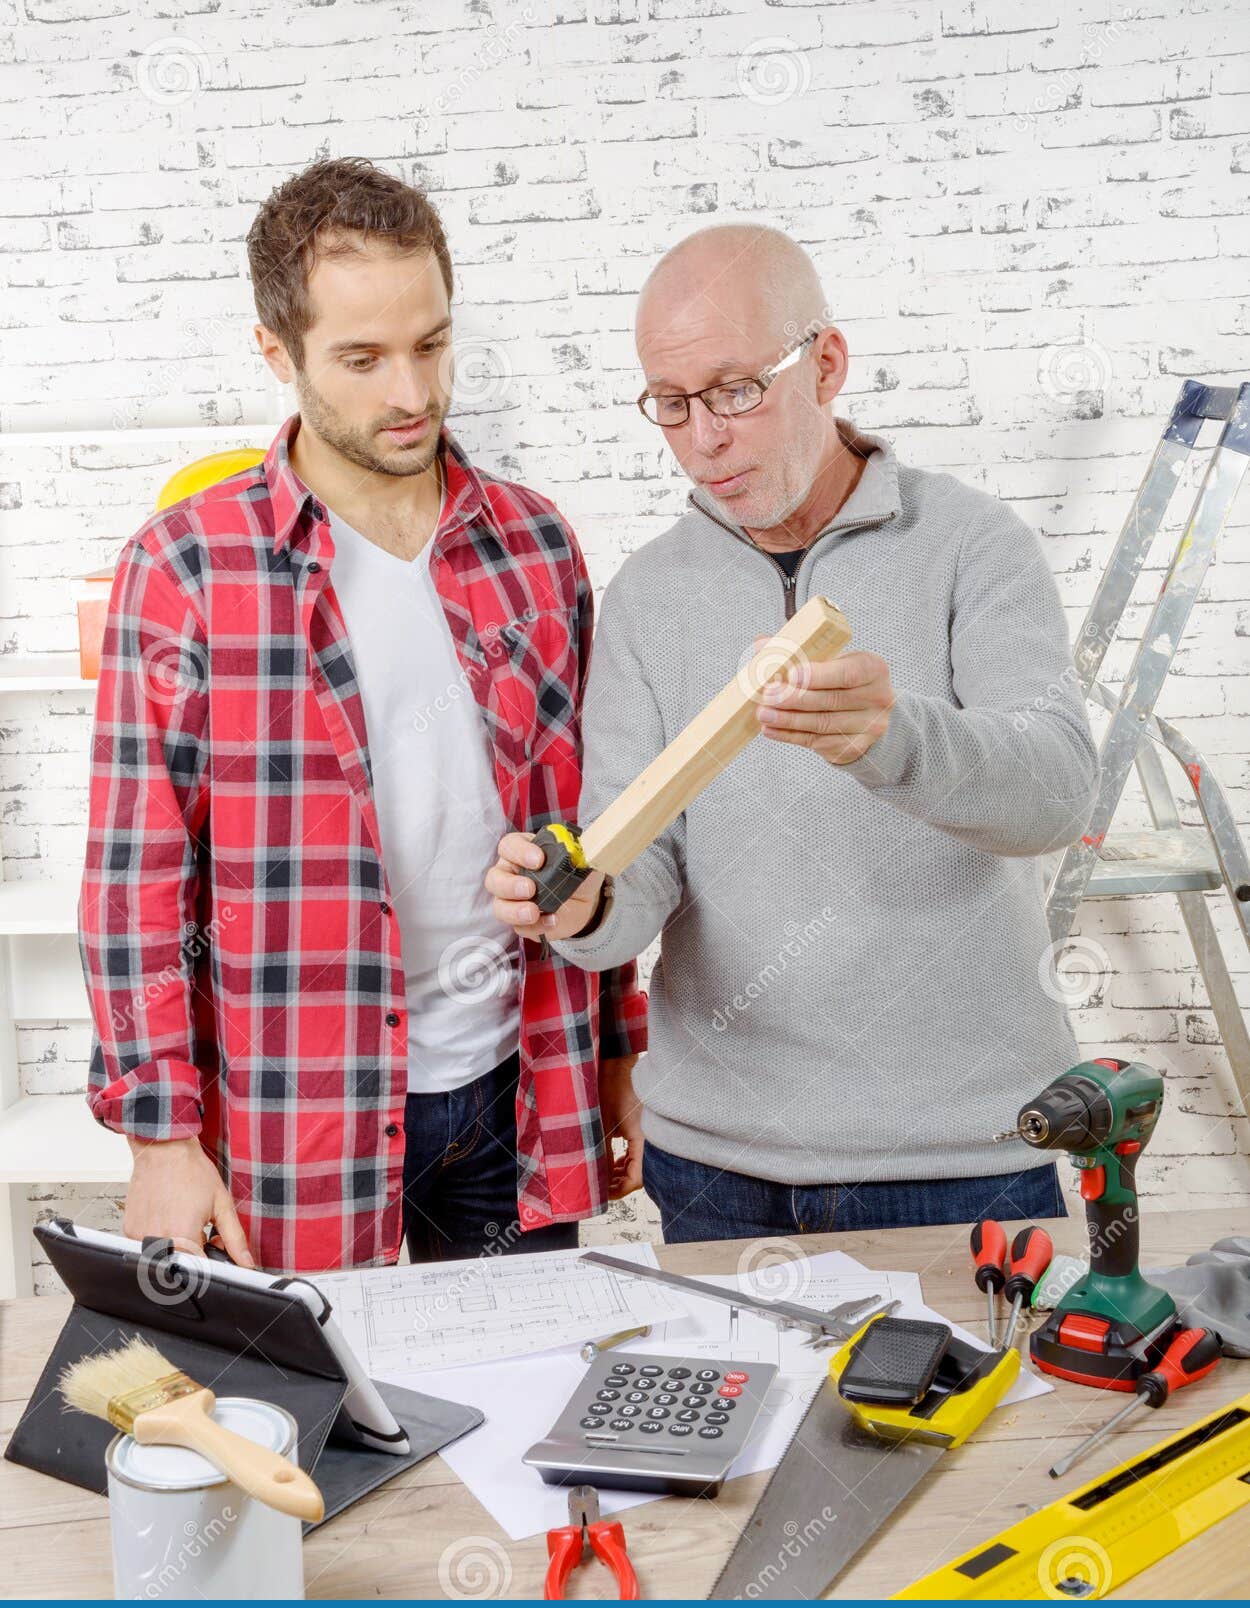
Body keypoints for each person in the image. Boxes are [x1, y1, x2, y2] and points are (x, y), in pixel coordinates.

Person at [78, 158, 646, 1272]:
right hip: (299, 1112)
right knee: (317, 1424)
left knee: (527, 1416)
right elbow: (134, 874)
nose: (413, 393)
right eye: (363, 358)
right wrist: (160, 1136)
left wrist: (615, 1051)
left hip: (514, 1086)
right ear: (277, 354)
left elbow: (595, 819)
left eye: (430, 344)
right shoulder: (188, 567)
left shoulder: (534, 545)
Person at [488, 223, 1100, 1245]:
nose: (702, 439)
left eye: (734, 389)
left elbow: (1053, 794)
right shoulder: (649, 594)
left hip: (959, 1161)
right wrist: (578, 895)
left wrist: (888, 739)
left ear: (825, 363)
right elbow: (636, 870)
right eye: (671, 404)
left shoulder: (971, 545)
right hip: (715, 1167)